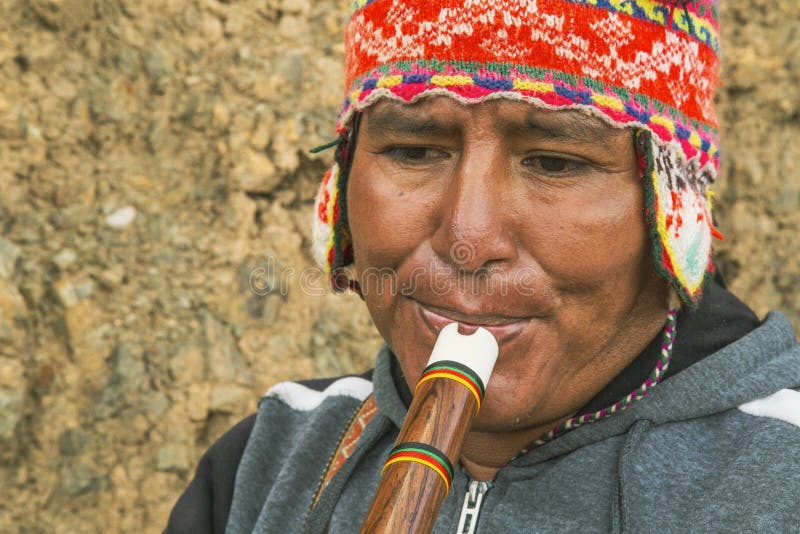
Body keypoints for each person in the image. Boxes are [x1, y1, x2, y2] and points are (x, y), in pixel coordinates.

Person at [166, 1, 800, 532]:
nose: (467, 238)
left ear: (672, 206)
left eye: (555, 162)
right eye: (413, 150)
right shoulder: (262, 468)